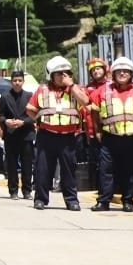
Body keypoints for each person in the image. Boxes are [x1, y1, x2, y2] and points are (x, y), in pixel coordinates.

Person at [90, 56, 133, 212]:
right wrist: (97, 131)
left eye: (126, 71)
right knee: (105, 170)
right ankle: (104, 201)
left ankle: (128, 200)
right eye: (119, 71)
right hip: (110, 138)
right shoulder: (102, 91)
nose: (122, 74)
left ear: (131, 74)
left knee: (131, 171)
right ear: (113, 73)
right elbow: (94, 112)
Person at [28, 55, 87, 211]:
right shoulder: (42, 89)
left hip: (68, 136)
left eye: (66, 73)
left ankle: (72, 200)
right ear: (51, 75)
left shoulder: (75, 89)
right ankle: (40, 199)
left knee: (69, 169)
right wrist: (40, 121)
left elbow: (86, 102)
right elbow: (30, 108)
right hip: (46, 135)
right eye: (59, 74)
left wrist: (72, 85)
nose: (63, 76)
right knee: (43, 169)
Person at [0, 70, 35, 199]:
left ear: (23, 82)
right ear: (11, 82)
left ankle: (27, 191)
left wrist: (23, 122)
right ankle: (13, 190)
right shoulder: (5, 96)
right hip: (11, 134)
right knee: (11, 163)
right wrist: (6, 121)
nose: (17, 83)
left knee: (27, 164)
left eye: (19, 81)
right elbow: (1, 115)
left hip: (26, 133)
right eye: (15, 81)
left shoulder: (30, 96)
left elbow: (34, 116)